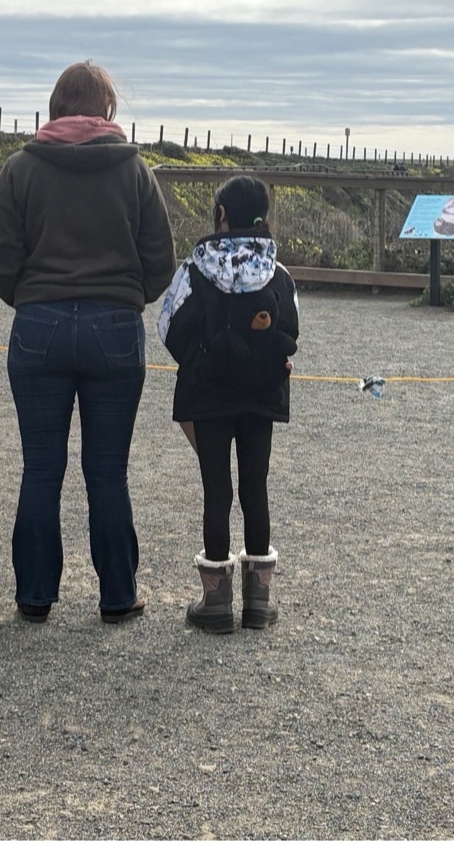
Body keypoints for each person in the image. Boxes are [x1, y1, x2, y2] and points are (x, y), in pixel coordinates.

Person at [0, 61, 176, 624]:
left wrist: (30, 298)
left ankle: (35, 595)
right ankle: (118, 594)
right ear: (106, 108)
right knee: (108, 470)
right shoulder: (134, 169)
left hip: (39, 324)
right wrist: (128, 297)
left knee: (40, 468)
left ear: (55, 106)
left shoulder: (21, 168)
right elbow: (160, 258)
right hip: (114, 326)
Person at [158, 175, 299, 632]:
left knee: (216, 489)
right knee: (255, 486)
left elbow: (167, 326)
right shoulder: (277, 272)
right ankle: (259, 602)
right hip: (262, 394)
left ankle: (215, 601)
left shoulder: (196, 268)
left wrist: (200, 359)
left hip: (209, 393)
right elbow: (291, 330)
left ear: (220, 215)